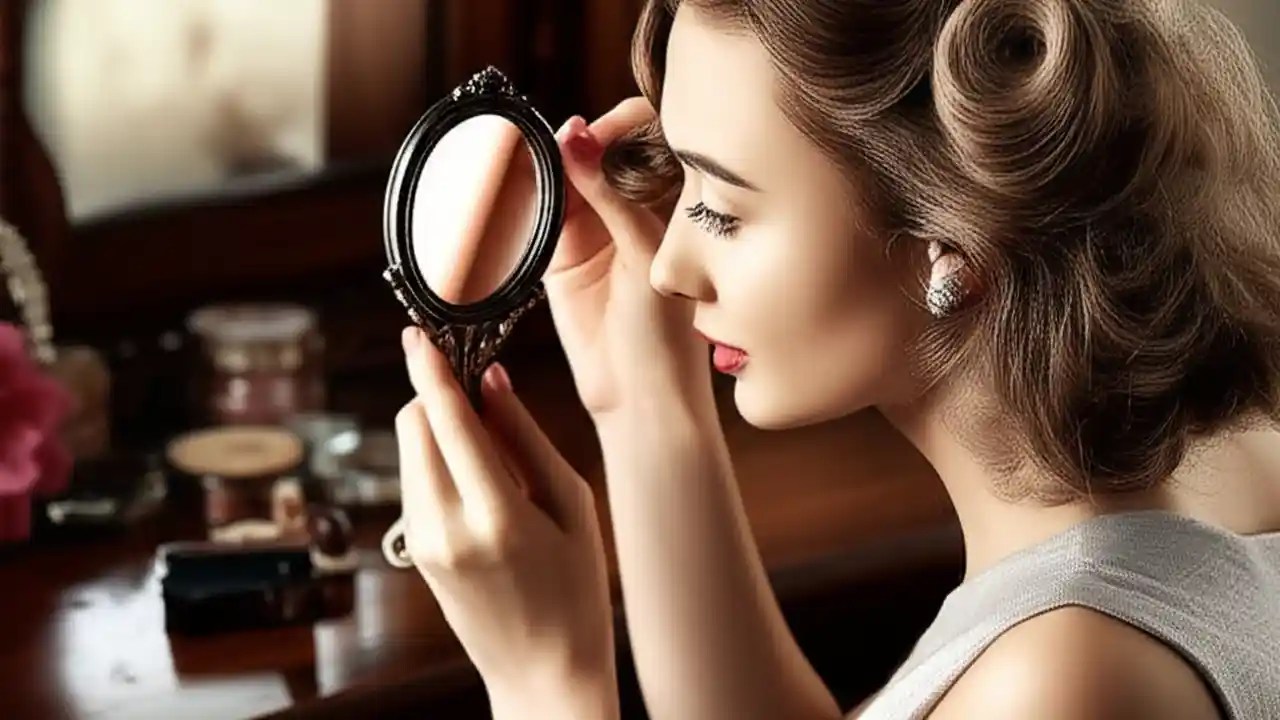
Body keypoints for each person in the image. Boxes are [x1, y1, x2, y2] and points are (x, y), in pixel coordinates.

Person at [392, 0, 1280, 717]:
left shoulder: (1065, 681)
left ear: (951, 236)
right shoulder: (1230, 475)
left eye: (722, 210)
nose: (665, 266)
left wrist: (546, 681)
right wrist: (645, 403)